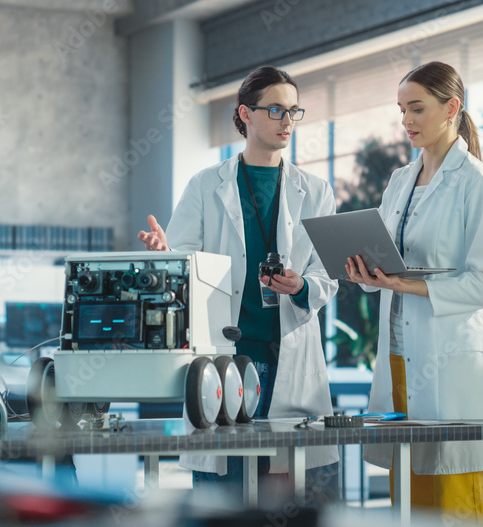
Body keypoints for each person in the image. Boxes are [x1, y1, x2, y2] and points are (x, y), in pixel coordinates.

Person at [138, 65, 340, 504]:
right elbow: (182, 269)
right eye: (276, 110)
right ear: (245, 114)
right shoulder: (206, 185)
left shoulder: (317, 190)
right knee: (225, 495)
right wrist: (163, 252)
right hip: (226, 361)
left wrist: (302, 286)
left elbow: (328, 276)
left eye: (293, 111)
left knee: (291, 495)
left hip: (290, 356)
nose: (288, 121)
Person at [345, 61, 483, 524]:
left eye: (416, 108)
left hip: (449, 359)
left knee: (456, 503)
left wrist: (405, 284)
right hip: (398, 356)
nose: (406, 121)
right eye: (401, 110)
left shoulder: (477, 182)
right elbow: (387, 256)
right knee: (409, 501)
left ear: (451, 107)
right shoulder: (399, 181)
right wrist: (368, 272)